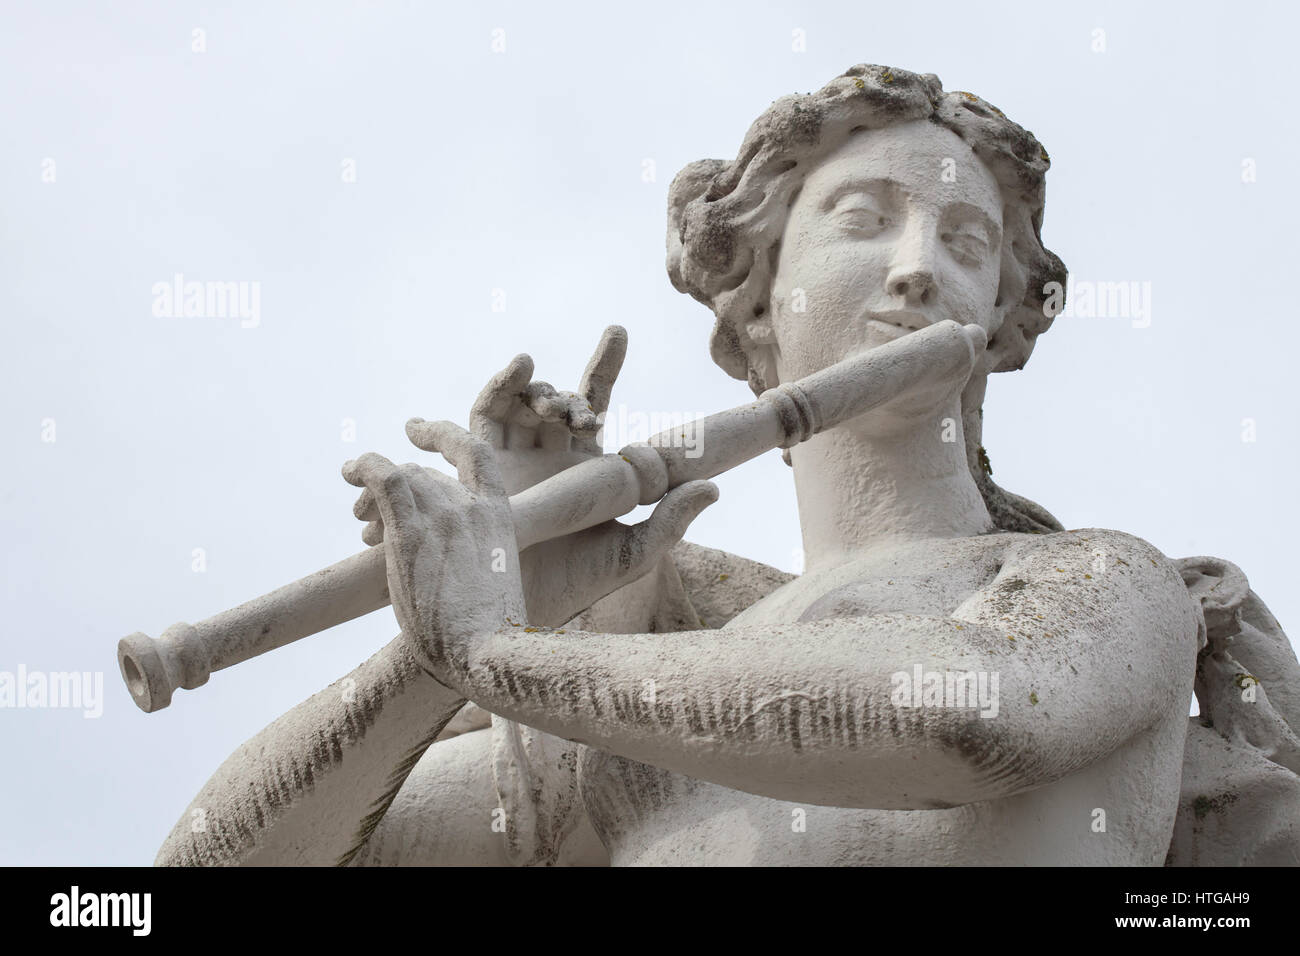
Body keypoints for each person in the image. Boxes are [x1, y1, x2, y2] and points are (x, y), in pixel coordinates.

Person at [156, 65, 1299, 867]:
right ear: (755, 303)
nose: (918, 272)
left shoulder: (1108, 584)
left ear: (999, 321)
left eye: (966, 245)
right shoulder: (655, 702)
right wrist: (459, 624)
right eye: (865, 221)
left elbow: (975, 712)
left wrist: (495, 653)